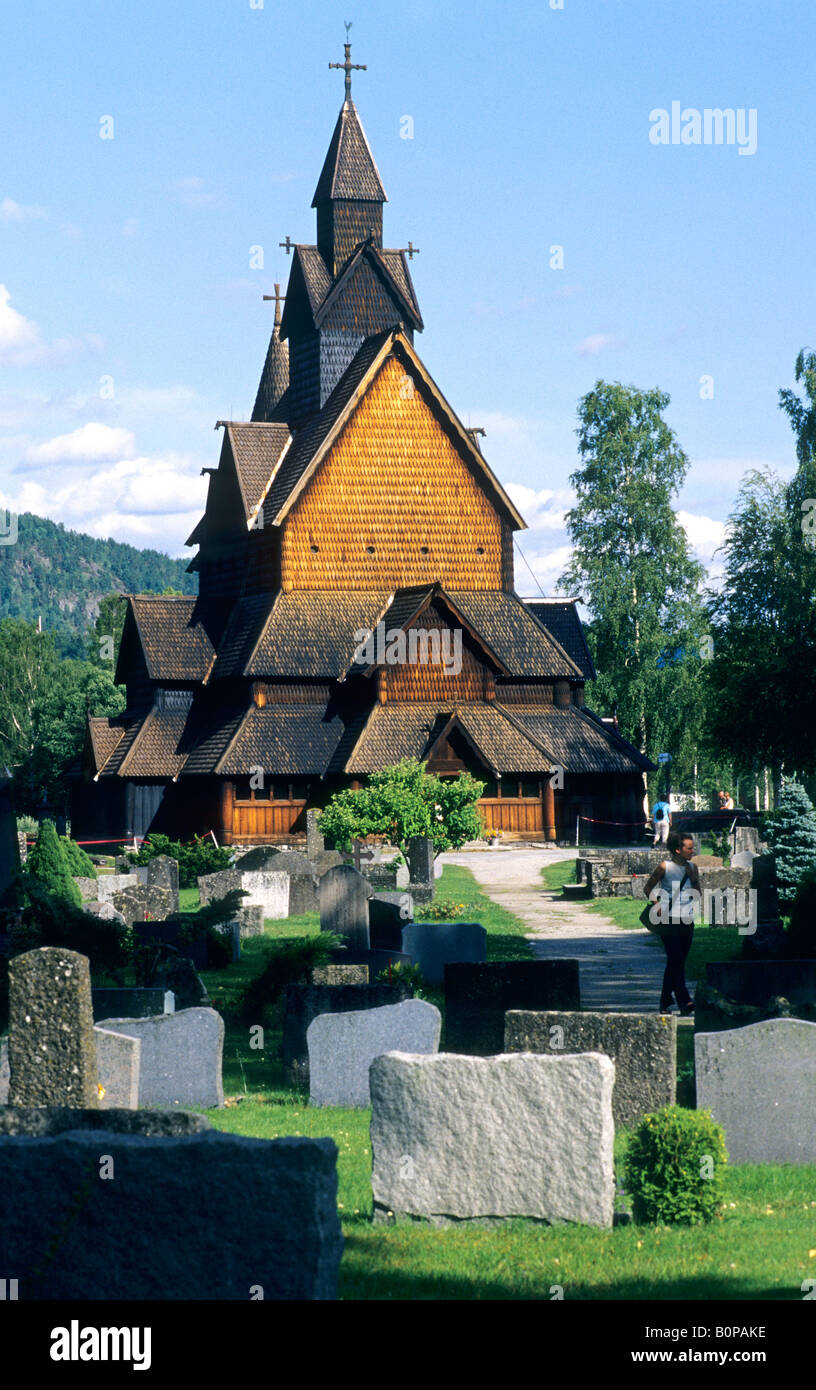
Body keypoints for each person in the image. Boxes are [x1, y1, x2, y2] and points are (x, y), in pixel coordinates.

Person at [643, 830, 700, 1015]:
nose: (692, 851)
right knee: (675, 960)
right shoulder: (664, 867)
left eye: (693, 848)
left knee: (677, 962)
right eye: (689, 848)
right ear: (677, 850)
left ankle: (665, 1000)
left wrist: (693, 878)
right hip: (668, 920)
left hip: (687, 920)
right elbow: (648, 888)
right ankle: (685, 1001)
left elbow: (697, 894)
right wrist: (656, 904)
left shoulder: (693, 867)